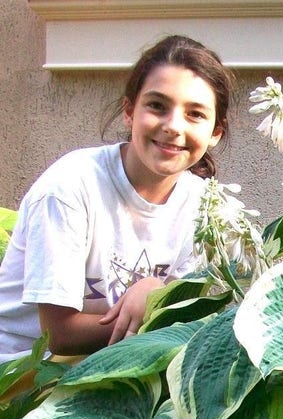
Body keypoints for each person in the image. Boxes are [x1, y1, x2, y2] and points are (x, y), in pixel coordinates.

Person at [0, 34, 233, 363]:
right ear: (129, 111)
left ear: (215, 134)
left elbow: (197, 317)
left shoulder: (206, 209)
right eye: (157, 106)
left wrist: (155, 294)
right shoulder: (71, 187)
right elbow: (59, 335)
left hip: (116, 368)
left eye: (195, 114)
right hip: (23, 376)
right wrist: (156, 307)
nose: (173, 126)